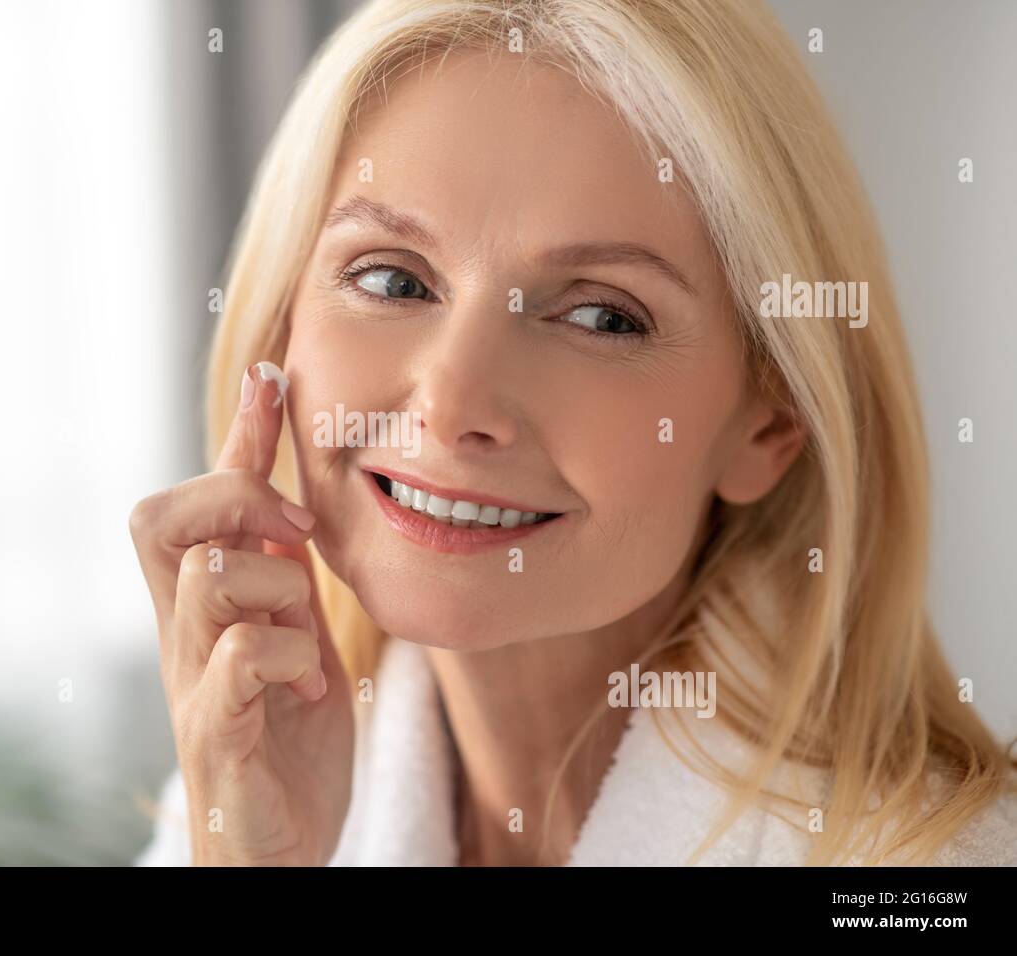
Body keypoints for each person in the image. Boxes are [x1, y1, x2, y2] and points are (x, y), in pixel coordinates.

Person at [128, 0, 1017, 866]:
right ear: (280, 327)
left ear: (770, 428)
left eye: (599, 315)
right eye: (394, 282)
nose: (451, 402)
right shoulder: (240, 803)